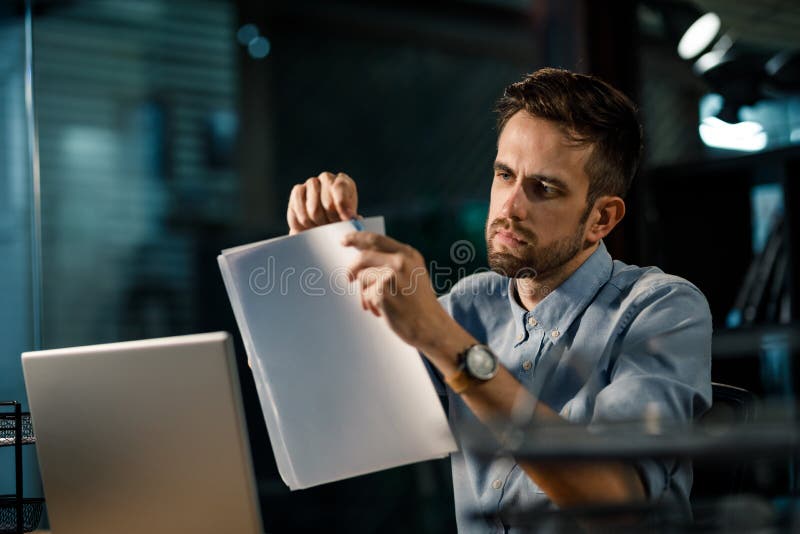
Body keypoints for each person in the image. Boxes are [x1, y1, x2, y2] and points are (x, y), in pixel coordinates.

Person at [286, 67, 712, 532]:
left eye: (543, 188)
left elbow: (617, 499)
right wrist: (324, 259)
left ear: (601, 219)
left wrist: (452, 347)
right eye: (504, 174)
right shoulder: (470, 304)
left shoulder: (662, 309)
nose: (509, 207)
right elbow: (333, 412)